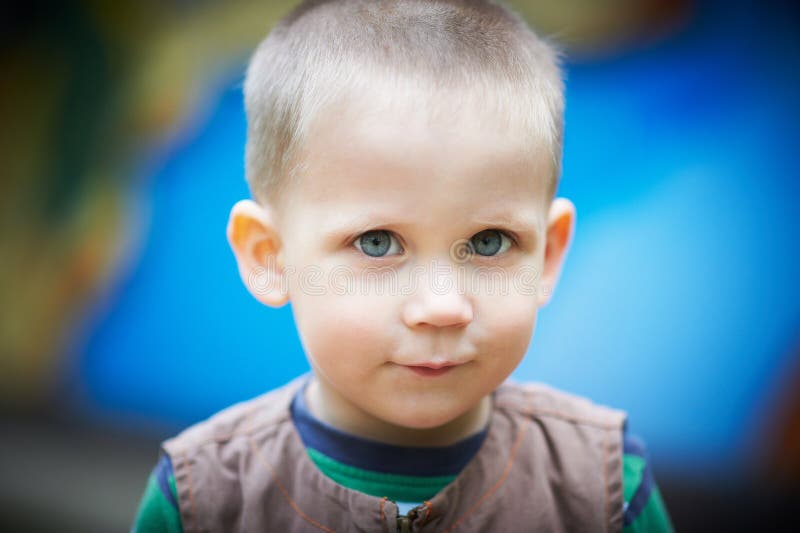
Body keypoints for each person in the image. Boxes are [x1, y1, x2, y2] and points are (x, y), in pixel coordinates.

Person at [133, 0, 673, 531]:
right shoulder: (203, 498)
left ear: (548, 256)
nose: (442, 308)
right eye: (376, 242)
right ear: (268, 256)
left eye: (489, 242)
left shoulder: (601, 488)